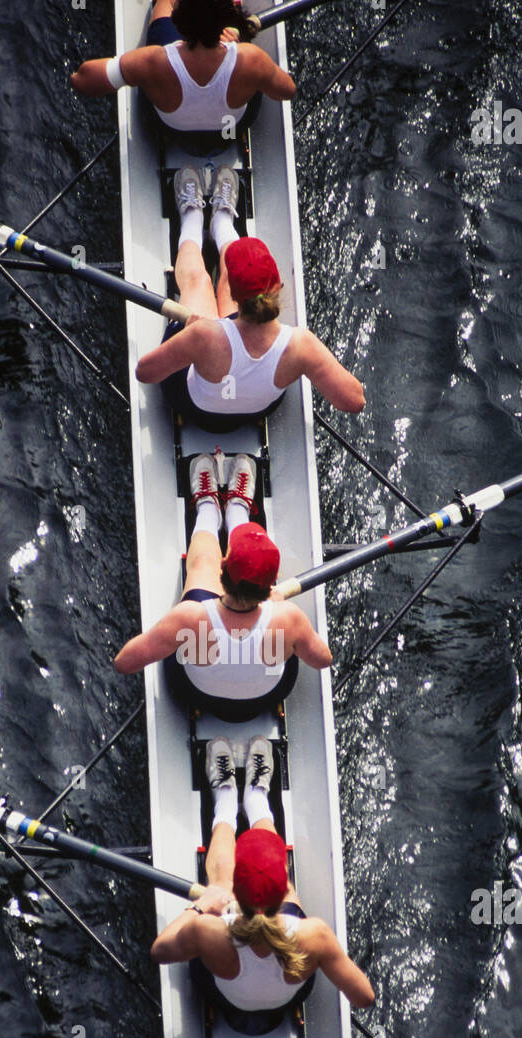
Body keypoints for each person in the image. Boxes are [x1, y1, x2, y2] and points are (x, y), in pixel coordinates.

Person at [114, 458, 331, 722]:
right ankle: (237, 508)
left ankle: (208, 506)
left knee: (202, 562)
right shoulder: (290, 618)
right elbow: (323, 660)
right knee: (287, 645)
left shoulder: (189, 618)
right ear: (270, 585)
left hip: (195, 692)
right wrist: (275, 609)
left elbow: (123, 663)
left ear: (224, 565)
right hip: (265, 698)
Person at [151, 805, 376, 1022]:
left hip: (223, 999)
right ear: (282, 891)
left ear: (236, 892)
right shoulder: (317, 935)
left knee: (221, 878)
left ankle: (224, 801)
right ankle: (257, 796)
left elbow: (159, 952)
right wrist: (324, 957)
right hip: (287, 1001)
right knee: (287, 892)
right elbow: (364, 998)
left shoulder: (206, 930)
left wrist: (200, 906)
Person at [136, 228, 366, 431]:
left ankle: (191, 218)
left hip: (194, 409)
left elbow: (145, 373)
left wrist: (190, 337)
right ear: (278, 286)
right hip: (255, 412)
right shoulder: (301, 344)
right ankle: (223, 220)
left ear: (235, 298)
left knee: (198, 281)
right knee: (221, 289)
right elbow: (355, 401)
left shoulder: (203, 335)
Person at [70, 0, 295, 142]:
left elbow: (81, 81)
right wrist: (239, 47)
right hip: (230, 131)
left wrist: (125, 68)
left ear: (178, 20)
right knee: (252, 73)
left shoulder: (152, 61)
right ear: (227, 22)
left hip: (170, 131)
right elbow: (287, 91)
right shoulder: (251, 59)